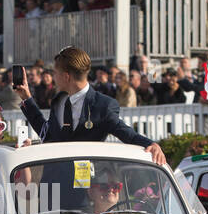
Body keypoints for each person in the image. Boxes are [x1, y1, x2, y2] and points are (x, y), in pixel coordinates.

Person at [15, 45, 166, 165]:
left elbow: (127, 134)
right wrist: (27, 98)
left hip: (87, 191)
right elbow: (46, 135)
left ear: (66, 76)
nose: (53, 77)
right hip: (53, 185)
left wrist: (152, 144)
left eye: (55, 73)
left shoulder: (103, 105)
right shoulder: (59, 101)